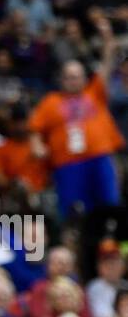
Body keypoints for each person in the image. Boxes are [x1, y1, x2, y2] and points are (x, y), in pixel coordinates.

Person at [28, 17, 123, 217]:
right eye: (68, 77)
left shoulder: (94, 92)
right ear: (61, 79)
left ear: (84, 78)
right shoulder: (51, 101)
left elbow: (107, 63)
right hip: (68, 163)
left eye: (76, 77)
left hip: (99, 158)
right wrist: (37, 146)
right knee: (75, 212)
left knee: (110, 207)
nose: (72, 81)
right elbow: (35, 130)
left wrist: (107, 37)